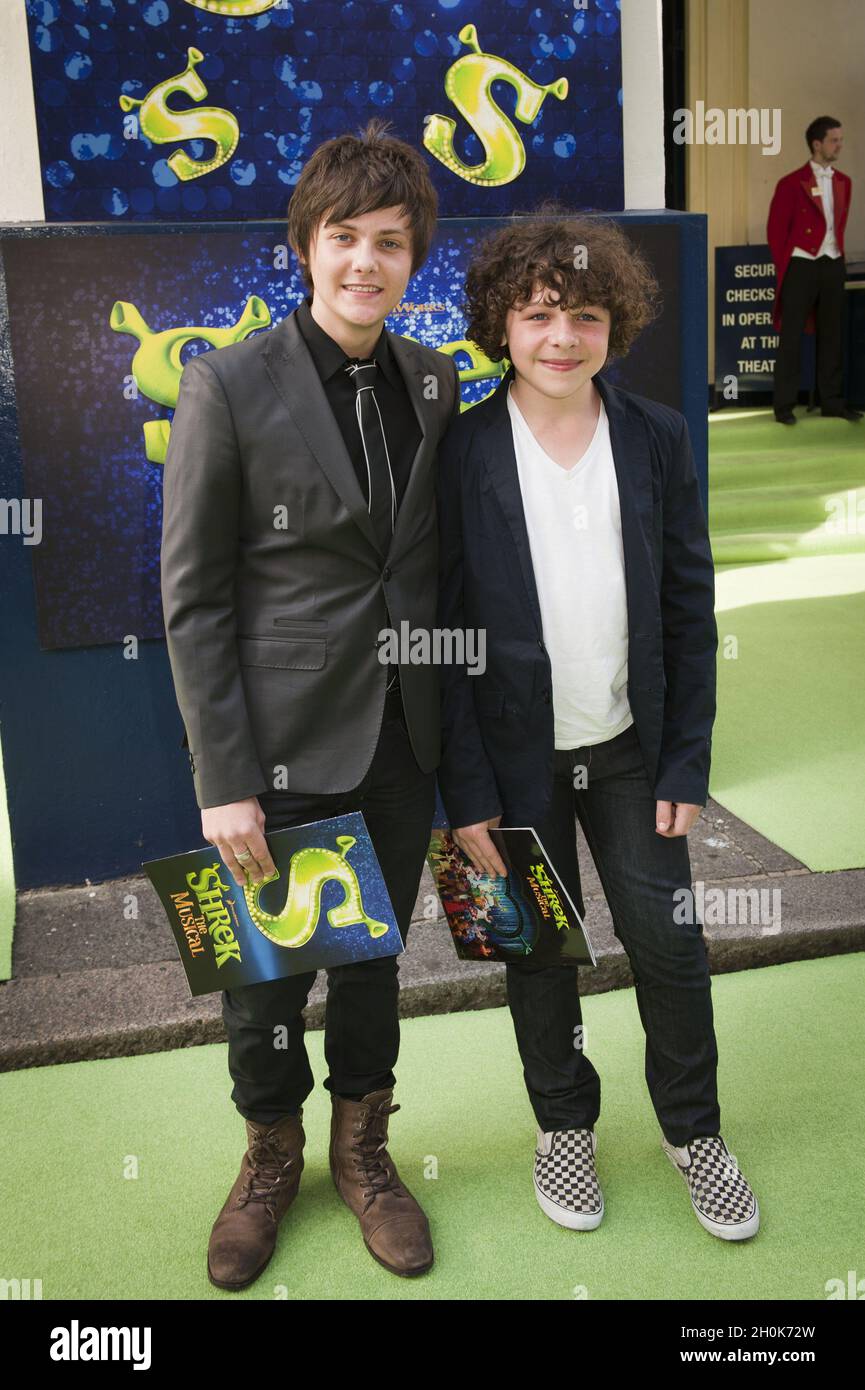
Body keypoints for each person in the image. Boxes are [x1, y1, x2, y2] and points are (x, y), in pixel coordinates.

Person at [161, 119, 461, 1288]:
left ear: (411, 257)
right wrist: (220, 778)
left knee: (376, 962)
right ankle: (270, 1157)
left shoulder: (433, 381)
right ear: (306, 244)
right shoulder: (225, 384)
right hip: (277, 751)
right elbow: (194, 600)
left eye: (389, 242)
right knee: (269, 973)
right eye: (345, 237)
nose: (365, 262)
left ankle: (365, 1157)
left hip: (403, 736)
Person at [436, 213, 760, 1241]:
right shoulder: (461, 449)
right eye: (538, 315)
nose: (562, 337)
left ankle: (694, 1132)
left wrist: (686, 757)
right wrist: (467, 796)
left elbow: (686, 609)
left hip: (630, 752)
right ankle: (562, 1123)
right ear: (500, 325)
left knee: (671, 948)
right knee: (535, 951)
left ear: (615, 323)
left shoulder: (657, 437)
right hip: (509, 761)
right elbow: (439, 634)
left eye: (583, 314)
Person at [767, 115, 861, 424]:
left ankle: (832, 402)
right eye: (834, 140)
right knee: (791, 337)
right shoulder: (790, 183)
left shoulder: (844, 181)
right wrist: (790, 266)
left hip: (832, 263)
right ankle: (784, 407)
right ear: (816, 144)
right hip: (802, 264)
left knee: (832, 336)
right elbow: (776, 231)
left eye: (840, 139)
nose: (839, 145)